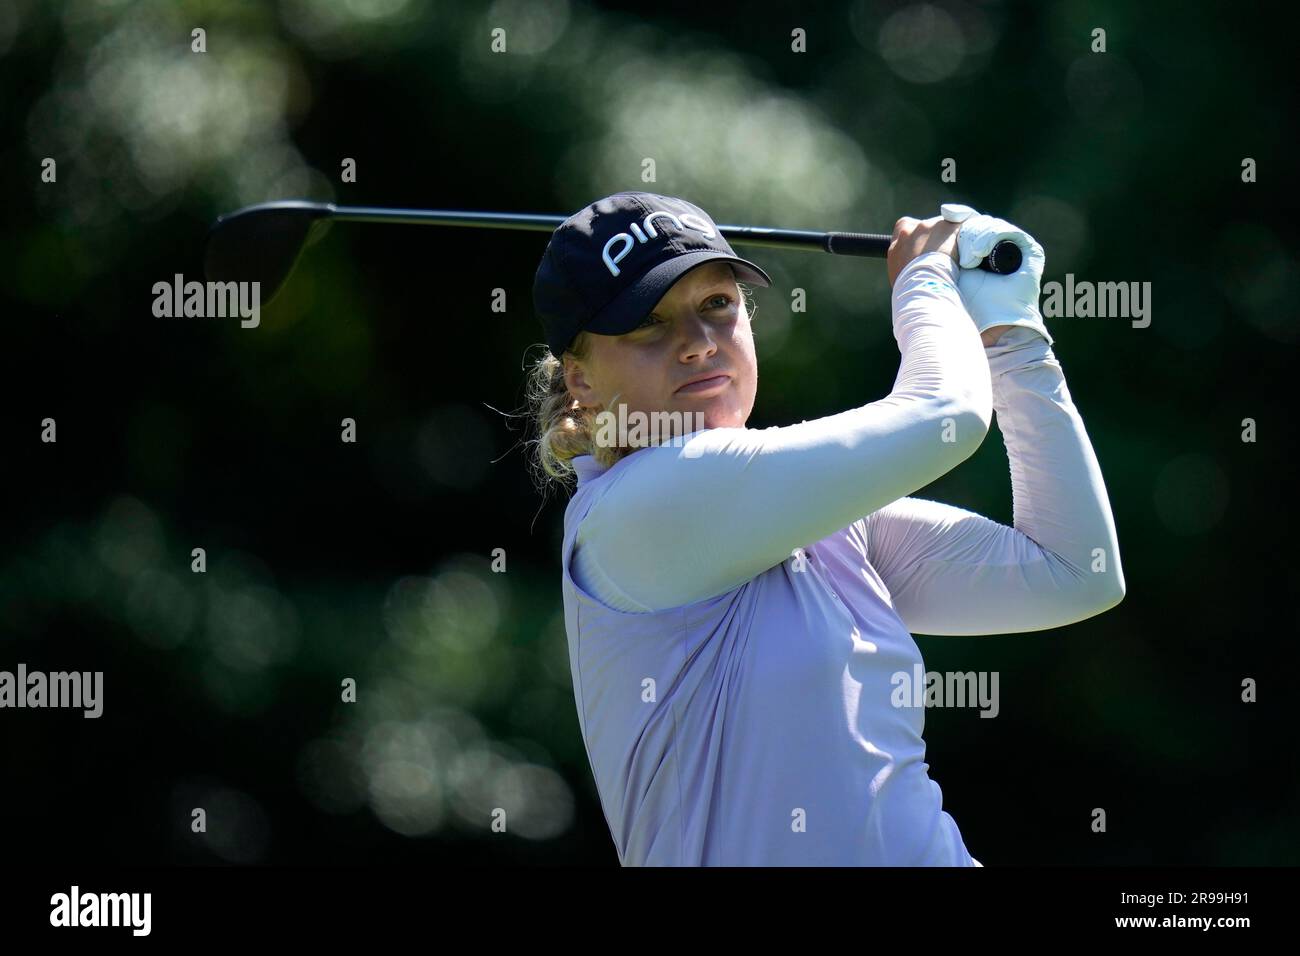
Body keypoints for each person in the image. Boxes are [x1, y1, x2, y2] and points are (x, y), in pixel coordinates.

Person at [527, 190, 1124, 866]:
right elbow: (944, 418)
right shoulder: (634, 509)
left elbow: (1074, 573)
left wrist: (1011, 337)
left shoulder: (816, 518)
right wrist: (927, 279)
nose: (697, 345)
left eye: (716, 305)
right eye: (649, 324)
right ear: (579, 378)